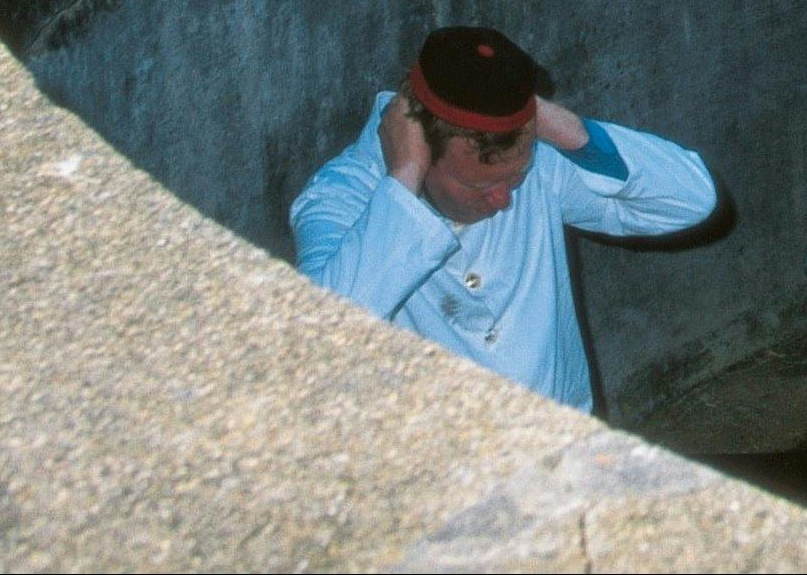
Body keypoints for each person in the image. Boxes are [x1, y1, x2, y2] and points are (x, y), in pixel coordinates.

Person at [292, 24, 719, 410]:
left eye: (513, 179)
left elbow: (690, 201)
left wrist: (574, 135)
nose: (502, 201)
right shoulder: (338, 198)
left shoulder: (539, 168)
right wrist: (403, 179)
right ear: (419, 148)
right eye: (478, 187)